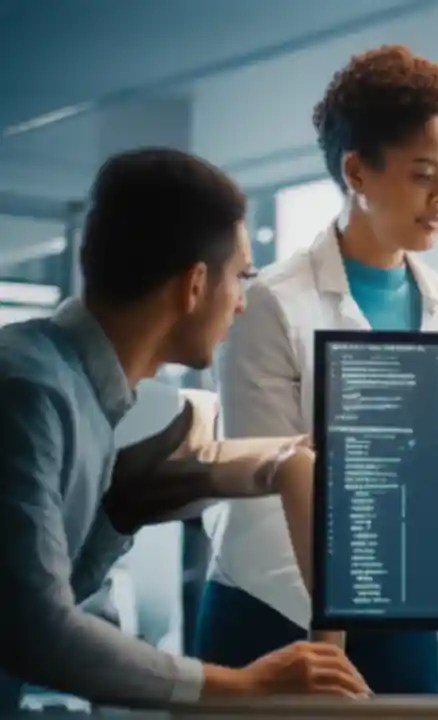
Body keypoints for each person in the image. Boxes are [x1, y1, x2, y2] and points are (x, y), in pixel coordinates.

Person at [0, 148, 370, 710]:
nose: (242, 304)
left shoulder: (83, 399)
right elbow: (33, 631)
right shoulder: (29, 392)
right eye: (241, 277)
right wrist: (244, 685)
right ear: (194, 285)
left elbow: (34, 599)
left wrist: (120, 513)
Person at [195, 45, 438, 693]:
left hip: (404, 609)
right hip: (272, 609)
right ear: (357, 171)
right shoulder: (272, 303)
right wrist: (334, 626)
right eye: (422, 175)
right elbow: (267, 486)